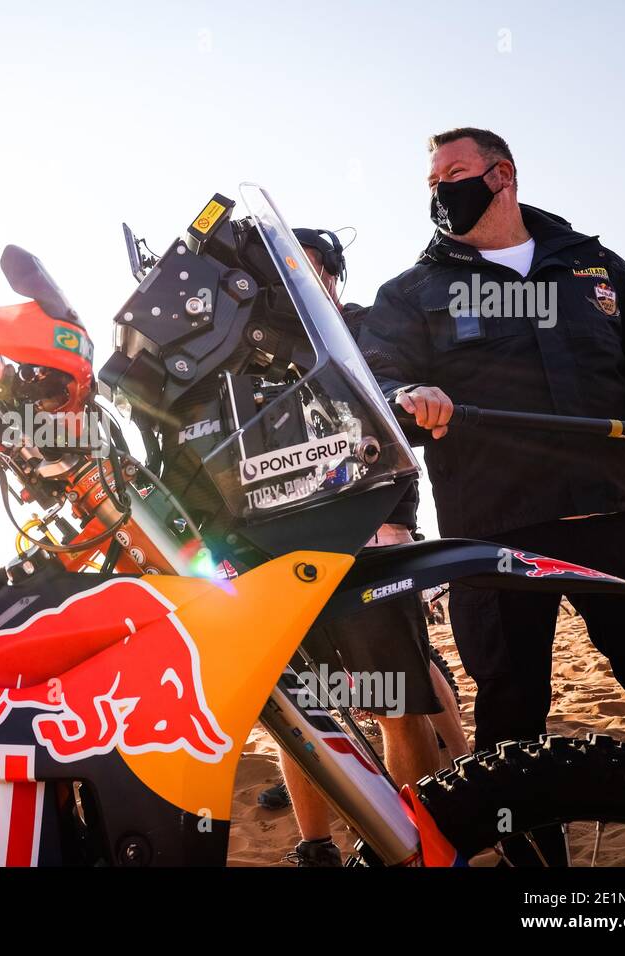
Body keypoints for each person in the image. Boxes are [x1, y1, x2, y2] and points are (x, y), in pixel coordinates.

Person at [358, 127, 625, 758]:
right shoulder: (413, 292)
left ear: (502, 175)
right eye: (432, 183)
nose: (441, 191)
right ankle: (525, 848)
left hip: (610, 518)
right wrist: (406, 395)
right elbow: (373, 380)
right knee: (511, 722)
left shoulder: (590, 266)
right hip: (493, 538)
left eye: (453, 174)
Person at [260, 230, 468, 867]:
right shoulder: (251, 347)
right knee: (302, 709)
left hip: (372, 531)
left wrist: (397, 524)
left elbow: (397, 412)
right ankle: (316, 847)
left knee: (401, 696)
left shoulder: (363, 331)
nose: (296, 278)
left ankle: (438, 825)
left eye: (310, 268)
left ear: (331, 277)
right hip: (280, 547)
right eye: (281, 268)